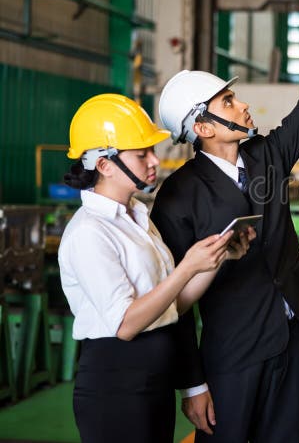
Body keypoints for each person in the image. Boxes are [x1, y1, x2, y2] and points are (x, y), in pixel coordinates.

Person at [150, 0, 299, 442]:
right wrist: (193, 384)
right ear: (202, 128)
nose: (243, 105)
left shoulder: (267, 155)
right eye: (229, 102)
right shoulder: (179, 196)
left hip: (291, 338)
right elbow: (175, 303)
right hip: (232, 356)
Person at [58, 94, 253, 443]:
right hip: (116, 386)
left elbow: (170, 308)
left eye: (152, 150)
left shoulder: (137, 218)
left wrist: (213, 262)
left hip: (154, 382)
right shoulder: (89, 232)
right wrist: (184, 269)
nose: (154, 161)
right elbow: (126, 324)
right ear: (103, 164)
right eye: (141, 153)